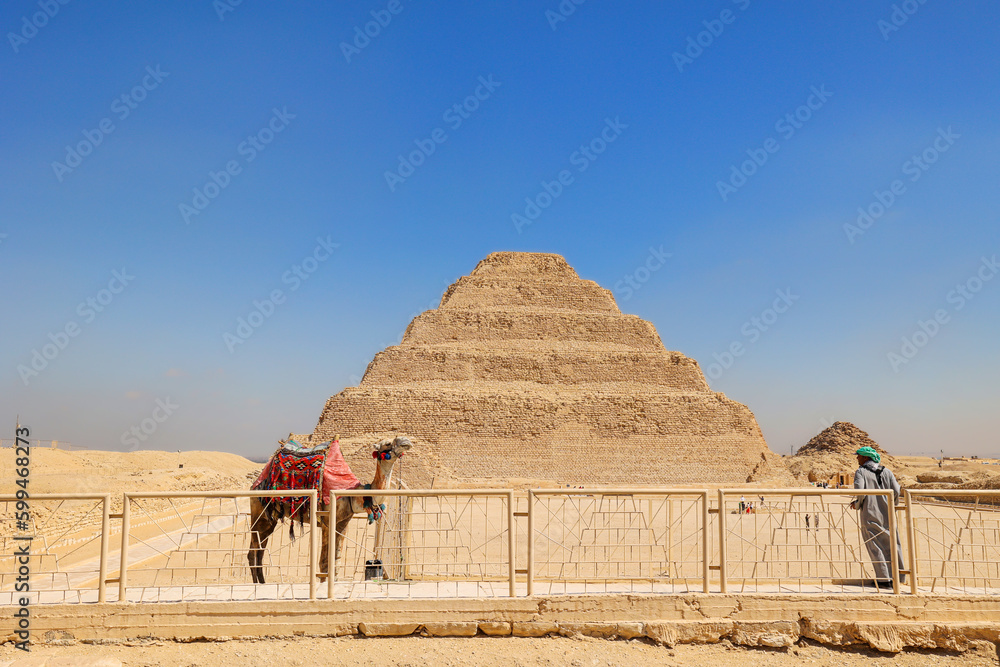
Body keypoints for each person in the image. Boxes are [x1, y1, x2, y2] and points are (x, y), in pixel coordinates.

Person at [850, 446, 905, 587]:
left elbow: (860, 491)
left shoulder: (861, 472)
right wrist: (893, 506)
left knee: (875, 545)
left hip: (870, 512)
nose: (857, 458)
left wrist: (858, 504)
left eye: (859, 456)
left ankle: (884, 580)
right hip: (888, 513)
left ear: (866, 458)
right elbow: (897, 491)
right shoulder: (887, 471)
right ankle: (898, 579)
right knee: (893, 544)